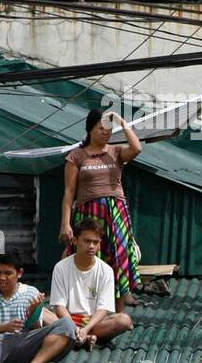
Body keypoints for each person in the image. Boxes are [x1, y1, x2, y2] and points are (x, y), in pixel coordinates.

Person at [59, 108, 143, 312]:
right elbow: (69, 193)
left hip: (116, 213)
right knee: (87, 260)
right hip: (88, 212)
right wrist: (65, 224)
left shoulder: (116, 152)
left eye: (108, 129)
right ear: (90, 130)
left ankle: (117, 314)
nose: (106, 132)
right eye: (100, 128)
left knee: (119, 258)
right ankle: (83, 310)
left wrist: (123, 122)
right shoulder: (76, 156)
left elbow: (137, 148)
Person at [51, 220, 134, 348]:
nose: (91, 246)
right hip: (66, 321)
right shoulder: (61, 267)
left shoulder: (106, 270)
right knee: (41, 314)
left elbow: (103, 309)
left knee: (124, 320)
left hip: (93, 322)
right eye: (87, 241)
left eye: (96, 242)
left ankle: (77, 337)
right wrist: (73, 327)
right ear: (74, 241)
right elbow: (59, 307)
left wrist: (85, 329)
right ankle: (82, 337)